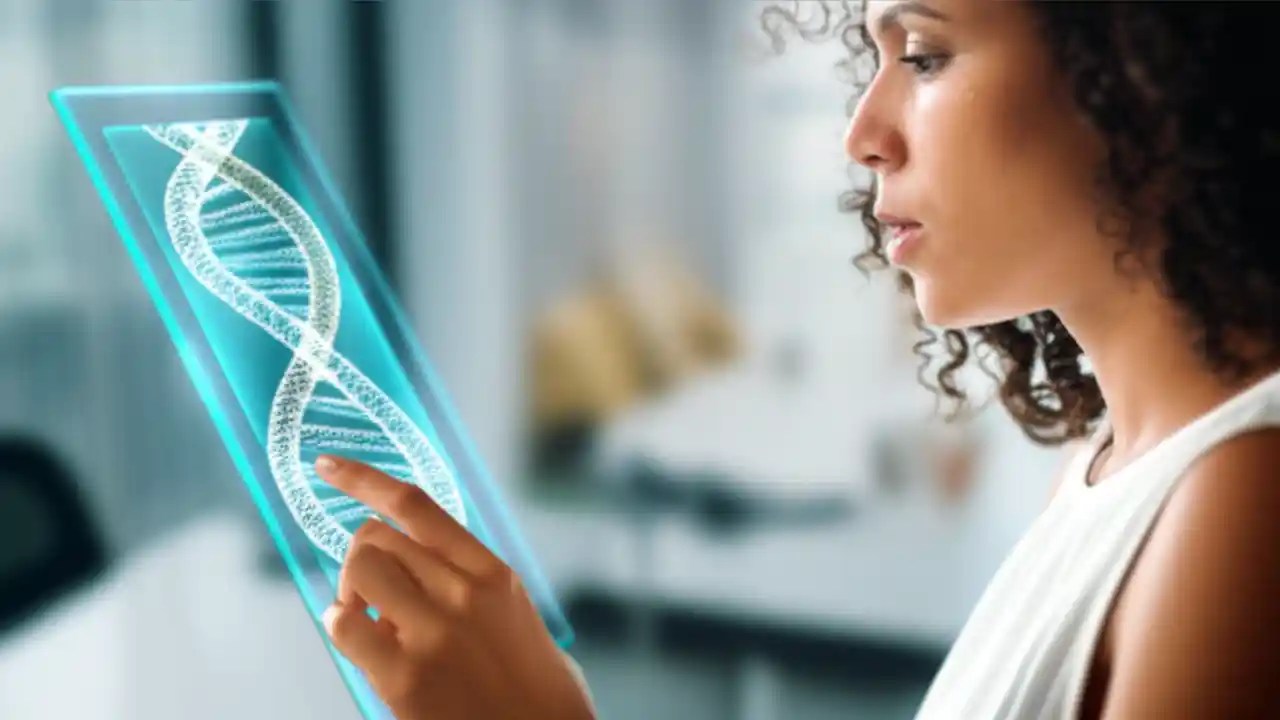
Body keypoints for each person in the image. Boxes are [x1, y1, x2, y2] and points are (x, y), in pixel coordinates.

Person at [317, 0, 1280, 718]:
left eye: (928, 56)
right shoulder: (1115, 465)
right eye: (877, 58)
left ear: (1143, 76)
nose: (863, 135)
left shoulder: (1244, 504)